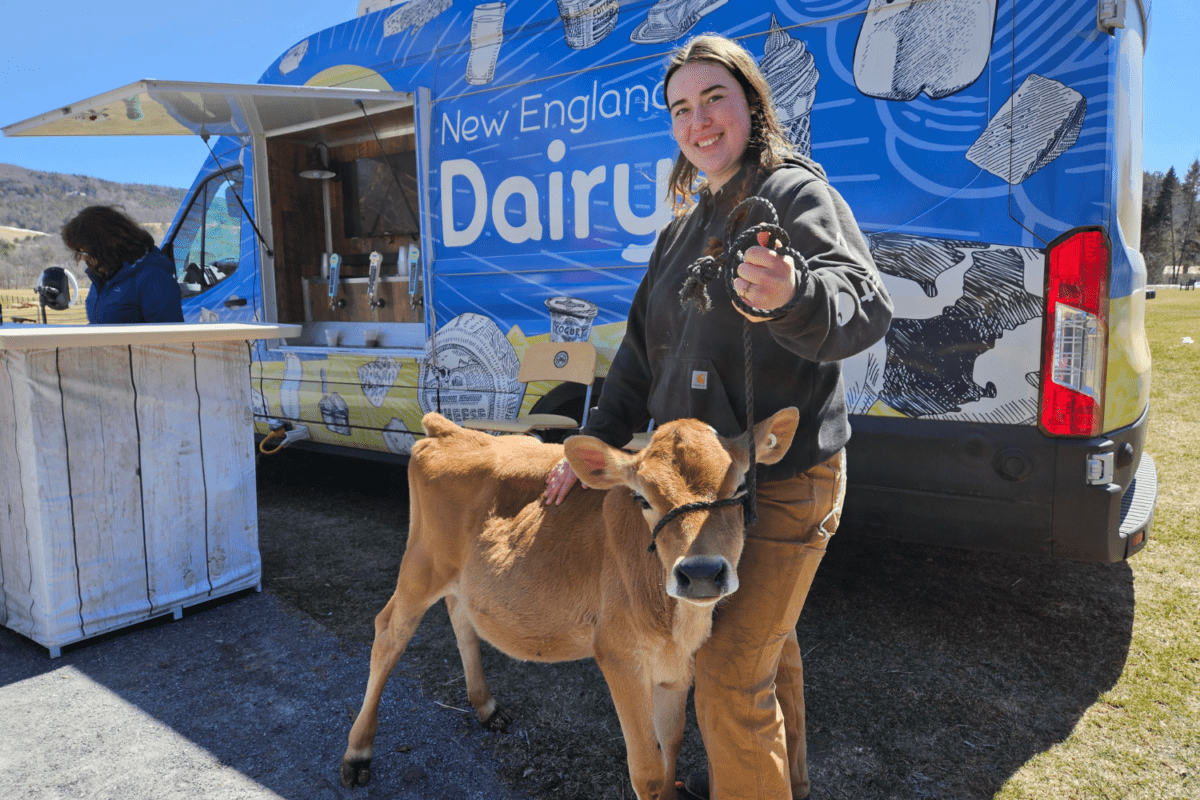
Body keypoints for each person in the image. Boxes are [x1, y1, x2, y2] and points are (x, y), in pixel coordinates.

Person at [543, 34, 893, 800]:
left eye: (714, 100)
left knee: (729, 676)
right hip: (698, 492)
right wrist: (591, 445)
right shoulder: (681, 231)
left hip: (782, 479)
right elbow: (639, 359)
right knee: (767, 650)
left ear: (751, 105)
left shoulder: (796, 194)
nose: (698, 122)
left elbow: (865, 307)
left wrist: (795, 297)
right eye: (680, 108)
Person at [61, 205, 184, 324]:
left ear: (107, 245)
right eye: (79, 252)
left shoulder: (154, 278)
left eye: (86, 252)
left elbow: (168, 337)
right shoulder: (102, 277)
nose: (83, 258)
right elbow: (100, 325)